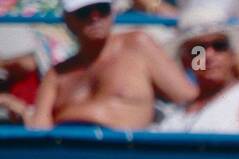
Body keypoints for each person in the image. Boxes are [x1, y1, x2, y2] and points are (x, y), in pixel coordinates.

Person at [29, 0, 199, 129]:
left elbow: (190, 98)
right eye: (84, 12)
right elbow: (38, 130)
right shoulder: (57, 74)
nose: (95, 17)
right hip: (65, 158)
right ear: (68, 20)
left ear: (112, 12)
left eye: (102, 9)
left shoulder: (138, 45)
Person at [157, 6, 239, 133]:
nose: (210, 55)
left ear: (232, 54)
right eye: (199, 49)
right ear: (186, 58)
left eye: (219, 46)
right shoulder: (177, 112)